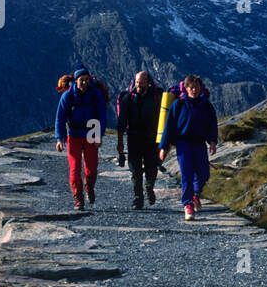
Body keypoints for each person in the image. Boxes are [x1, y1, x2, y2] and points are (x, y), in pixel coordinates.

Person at [159, 74, 218, 220]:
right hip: (183, 143)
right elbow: (169, 126)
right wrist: (163, 147)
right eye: (191, 88)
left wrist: (212, 141)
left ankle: (196, 194)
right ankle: (188, 204)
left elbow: (212, 124)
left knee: (204, 173)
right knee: (187, 174)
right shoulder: (178, 104)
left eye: (197, 87)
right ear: (185, 89)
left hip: (199, 143)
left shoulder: (206, 105)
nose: (194, 90)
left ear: (201, 88)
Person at [55, 67, 110, 210]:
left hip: (92, 132)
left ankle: (89, 187)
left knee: (91, 168)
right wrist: (59, 139)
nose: (84, 82)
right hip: (73, 134)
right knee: (74, 168)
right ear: (76, 80)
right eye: (81, 80)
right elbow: (60, 118)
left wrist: (99, 135)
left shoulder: (96, 94)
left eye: (86, 79)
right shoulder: (68, 96)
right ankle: (78, 198)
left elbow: (102, 116)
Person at [116, 69, 163, 209]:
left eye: (142, 83)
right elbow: (121, 122)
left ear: (148, 83)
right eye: (137, 82)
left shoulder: (156, 98)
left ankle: (149, 188)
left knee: (151, 168)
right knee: (135, 170)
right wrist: (120, 143)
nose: (139, 85)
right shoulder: (128, 99)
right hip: (134, 139)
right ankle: (138, 198)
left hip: (151, 139)